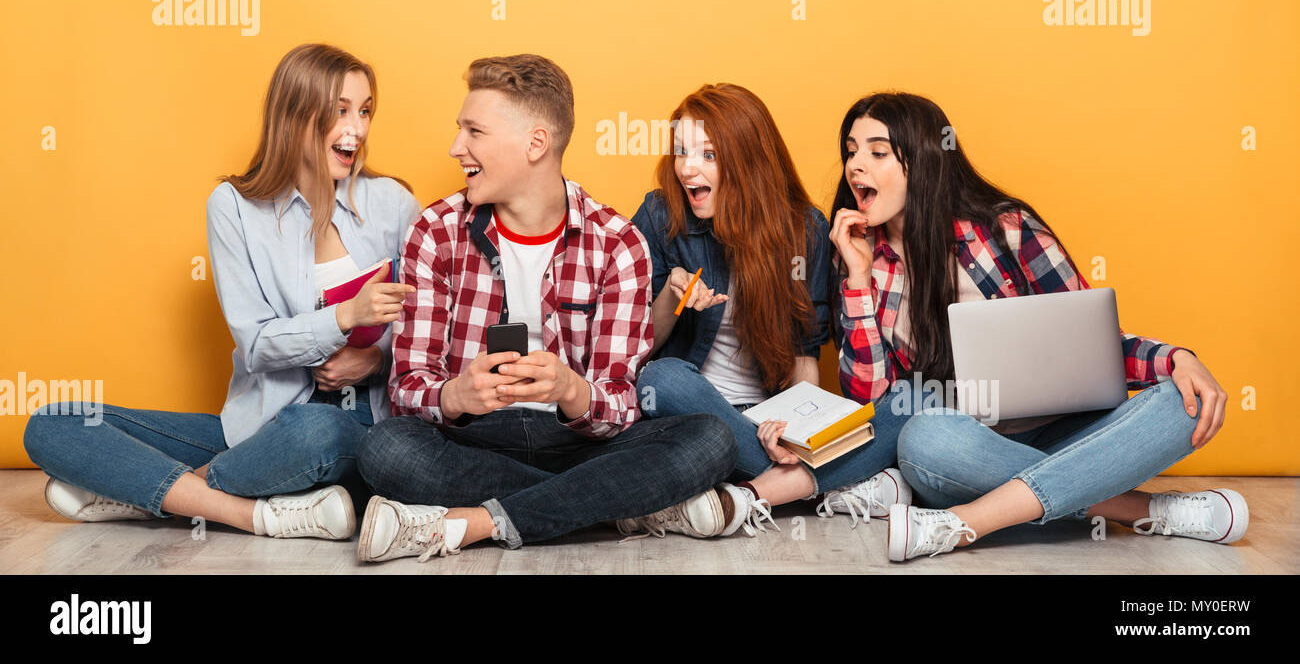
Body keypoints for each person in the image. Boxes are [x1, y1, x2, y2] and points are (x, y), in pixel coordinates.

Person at [822, 92, 1246, 561]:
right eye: (851, 150)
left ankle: (966, 522)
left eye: (877, 152)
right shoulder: (860, 261)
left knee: (1182, 401)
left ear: (922, 161)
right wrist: (858, 281)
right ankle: (1142, 509)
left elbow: (1092, 346)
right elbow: (872, 404)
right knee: (922, 439)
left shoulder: (1009, 229)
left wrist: (1176, 359)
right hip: (972, 449)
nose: (855, 165)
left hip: (1070, 431)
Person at [24, 43, 422, 540]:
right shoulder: (233, 206)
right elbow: (256, 345)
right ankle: (251, 513)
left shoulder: (395, 204)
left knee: (316, 430)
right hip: (257, 428)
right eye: (340, 111)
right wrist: (340, 318)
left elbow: (428, 331)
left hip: (357, 425)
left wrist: (377, 361)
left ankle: (157, 497)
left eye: (364, 112)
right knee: (54, 422)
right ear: (295, 115)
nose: (357, 129)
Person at [354, 54, 738, 563]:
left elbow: (620, 404)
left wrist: (571, 389)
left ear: (536, 144)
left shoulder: (618, 244)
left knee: (711, 439)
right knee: (385, 449)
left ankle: (476, 522)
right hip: (475, 442)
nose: (456, 148)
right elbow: (406, 391)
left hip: (580, 442)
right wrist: (456, 395)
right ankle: (618, 503)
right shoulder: (435, 231)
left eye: (474, 132)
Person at [631, 83, 920, 536]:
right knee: (660, 378)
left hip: (767, 418)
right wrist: (670, 295)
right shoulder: (660, 215)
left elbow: (805, 353)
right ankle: (825, 484)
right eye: (681, 151)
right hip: (692, 413)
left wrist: (792, 427)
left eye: (708, 155)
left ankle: (746, 493)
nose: (687, 168)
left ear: (747, 160)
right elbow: (632, 345)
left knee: (913, 402)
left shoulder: (805, 229)